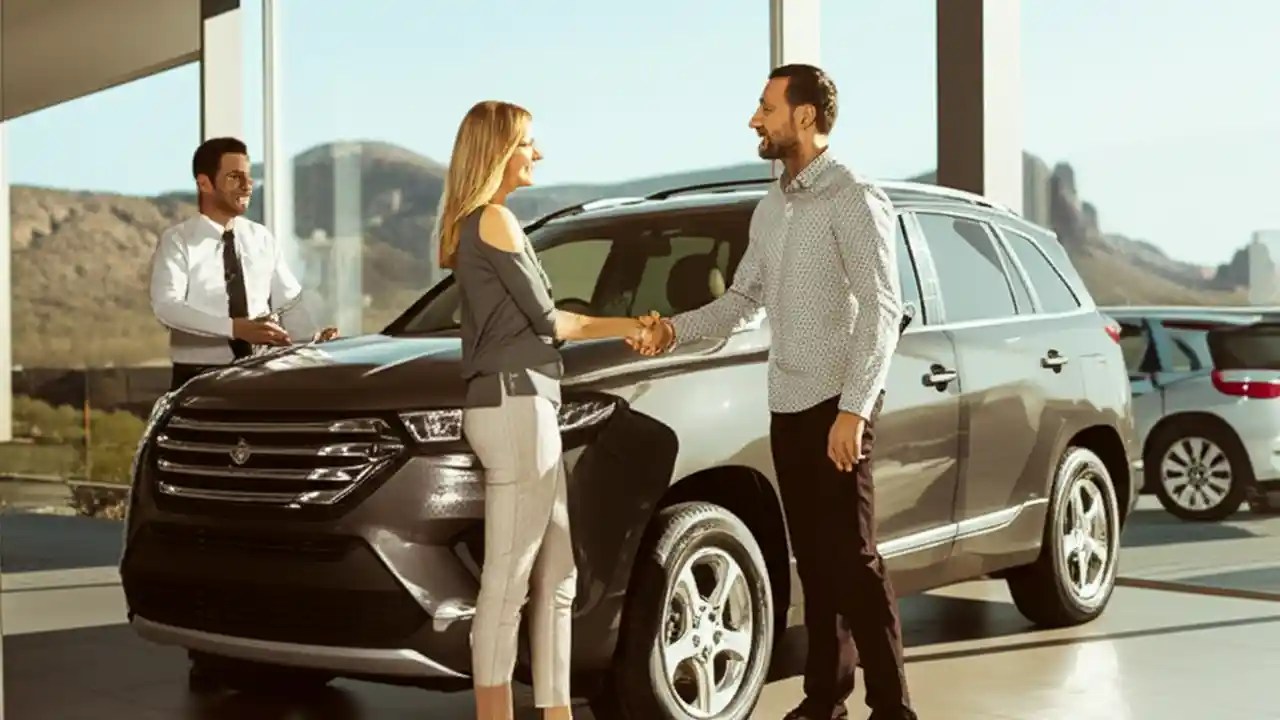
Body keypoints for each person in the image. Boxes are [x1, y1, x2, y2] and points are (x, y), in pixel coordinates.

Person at [632, 64, 917, 720]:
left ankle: (895, 709)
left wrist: (854, 408)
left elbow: (881, 307)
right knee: (815, 562)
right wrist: (673, 330)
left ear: (807, 117)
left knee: (855, 561)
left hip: (838, 404)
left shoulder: (853, 195)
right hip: (788, 405)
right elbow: (739, 301)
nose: (755, 119)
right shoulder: (772, 208)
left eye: (766, 107)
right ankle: (825, 700)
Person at [438, 100, 645, 720]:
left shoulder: (473, 224)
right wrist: (635, 326)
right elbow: (552, 321)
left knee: (557, 576)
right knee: (507, 579)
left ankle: (556, 711)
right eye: (528, 142)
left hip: (526, 403)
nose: (539, 153)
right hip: (515, 406)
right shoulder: (495, 220)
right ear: (499, 149)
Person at [149, 136, 338, 392]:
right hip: (198, 381)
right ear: (204, 183)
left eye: (248, 177)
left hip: (259, 375)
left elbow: (290, 304)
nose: (247, 186)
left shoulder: (261, 238)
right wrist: (235, 329)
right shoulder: (177, 241)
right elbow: (167, 307)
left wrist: (314, 344)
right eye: (234, 177)